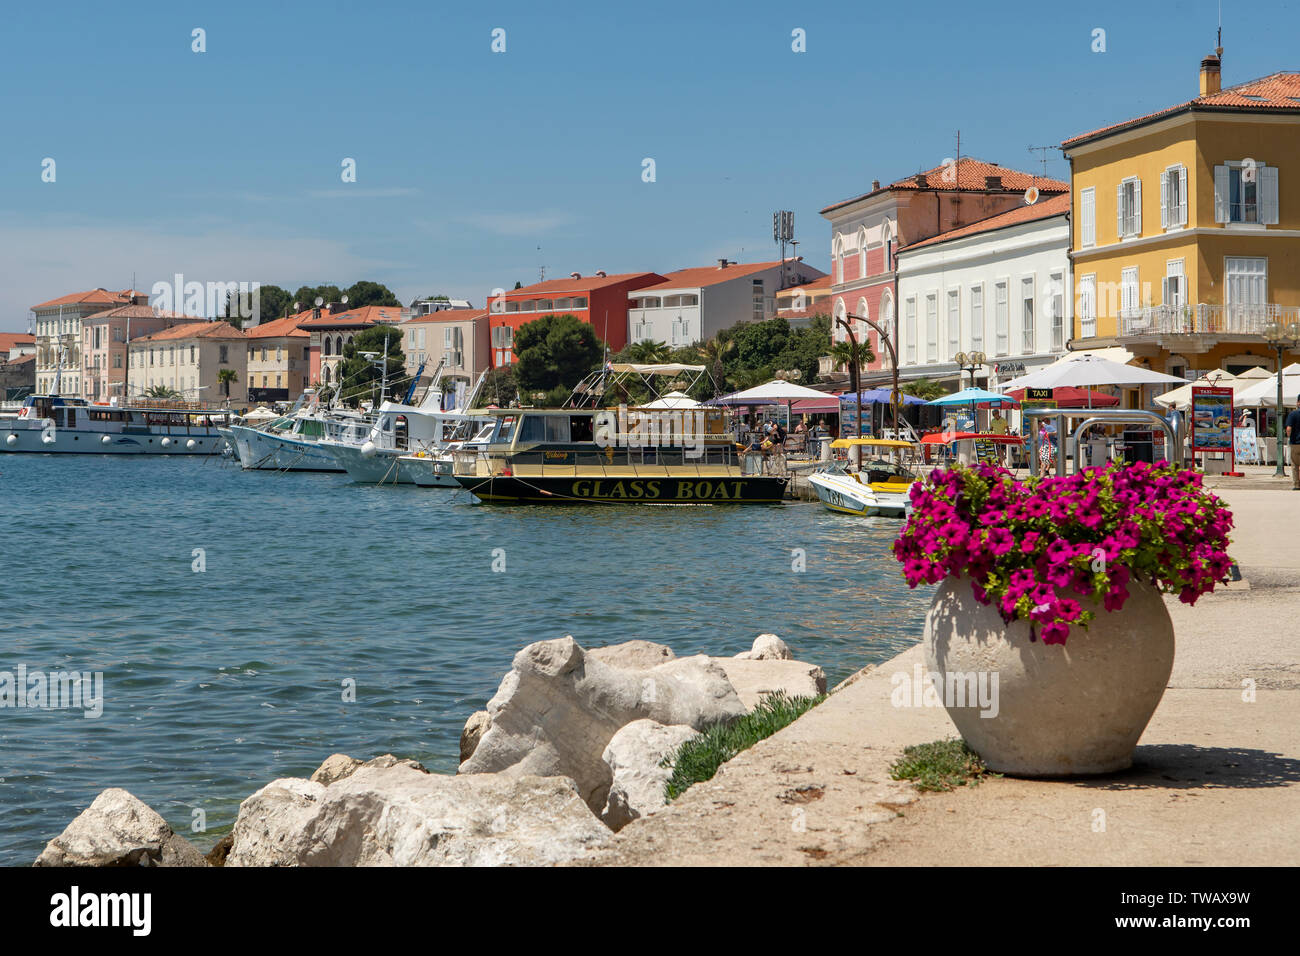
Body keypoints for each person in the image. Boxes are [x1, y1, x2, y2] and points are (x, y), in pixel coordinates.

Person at [1286, 396, 1300, 490]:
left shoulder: (1293, 414)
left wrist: (1288, 436)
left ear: (1298, 402)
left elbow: (1288, 428)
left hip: (1295, 443)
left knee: (1295, 465)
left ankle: (1296, 485)